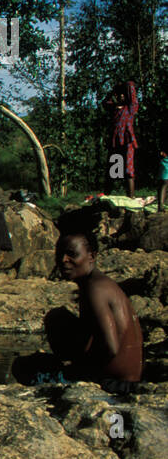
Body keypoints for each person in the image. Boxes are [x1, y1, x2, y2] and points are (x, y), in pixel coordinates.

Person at [14, 233, 143, 392]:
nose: (63, 260)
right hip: (122, 378)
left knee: (23, 368)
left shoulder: (96, 289)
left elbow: (112, 348)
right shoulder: (96, 283)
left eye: (72, 254)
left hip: (115, 383)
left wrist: (80, 371)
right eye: (59, 255)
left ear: (92, 256)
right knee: (58, 318)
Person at [104, 81, 139, 196]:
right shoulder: (113, 108)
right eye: (119, 94)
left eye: (124, 94)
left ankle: (131, 199)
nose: (121, 96)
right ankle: (109, 198)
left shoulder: (130, 108)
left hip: (127, 142)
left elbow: (132, 92)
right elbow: (105, 102)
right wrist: (114, 91)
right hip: (116, 143)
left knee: (129, 171)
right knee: (114, 172)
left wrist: (125, 85)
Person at [159, 148, 168, 212]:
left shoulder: (163, 160)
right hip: (165, 175)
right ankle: (161, 206)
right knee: (164, 187)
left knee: (163, 188)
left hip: (164, 175)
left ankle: (161, 205)